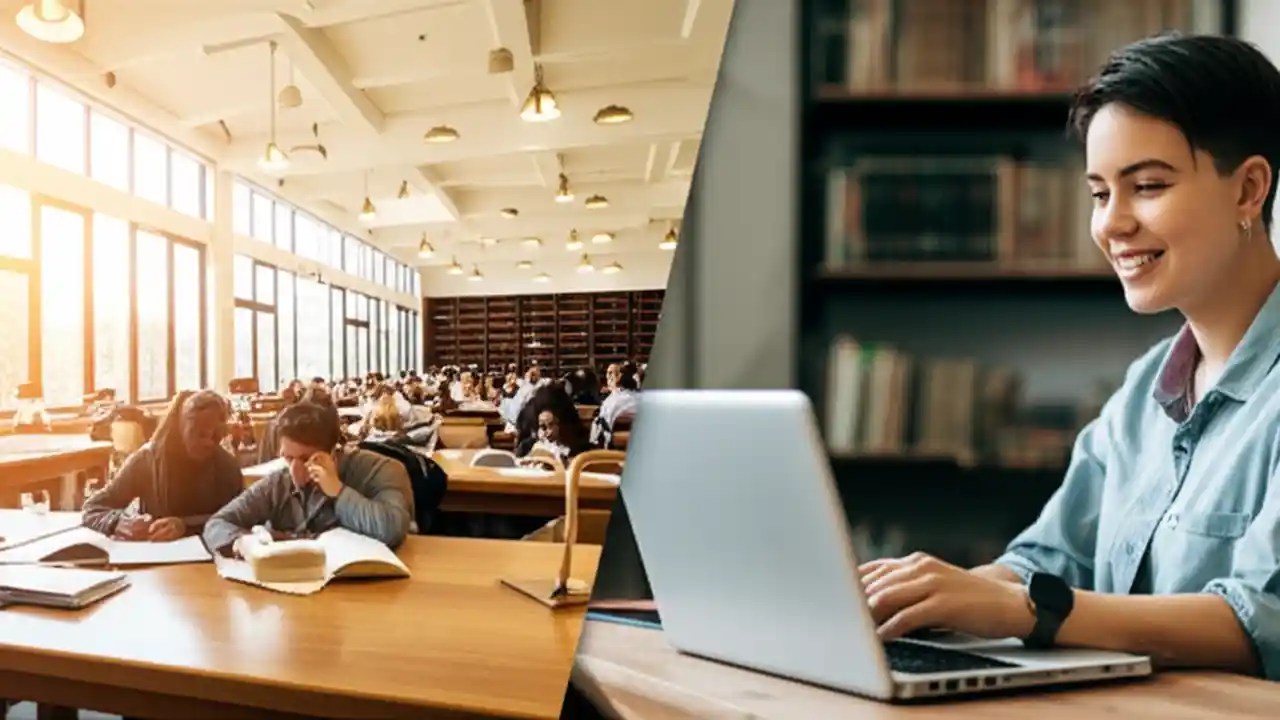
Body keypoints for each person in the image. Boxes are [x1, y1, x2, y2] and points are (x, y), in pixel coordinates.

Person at [860, 33, 1280, 679]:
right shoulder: (1145, 391)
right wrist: (915, 599)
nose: (1112, 224)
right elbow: (1043, 563)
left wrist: (1022, 609)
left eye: (1146, 186)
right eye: (1098, 193)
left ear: (1249, 189)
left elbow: (1258, 620)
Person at [203, 401, 414, 555]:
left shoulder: (382, 469)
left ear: (333, 452)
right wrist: (242, 542)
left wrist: (338, 491)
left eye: (306, 459)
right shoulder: (279, 482)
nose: (295, 470)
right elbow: (217, 524)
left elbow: (392, 529)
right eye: (288, 457)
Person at [83, 390, 243, 541]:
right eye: (199, 434)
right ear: (180, 429)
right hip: (158, 559)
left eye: (215, 436)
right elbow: (94, 508)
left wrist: (185, 526)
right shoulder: (148, 461)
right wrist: (117, 522)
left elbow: (241, 517)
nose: (208, 442)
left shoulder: (226, 465)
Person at [515, 384, 592, 462]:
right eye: (543, 427)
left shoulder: (582, 450)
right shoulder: (527, 448)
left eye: (552, 425)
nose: (549, 433)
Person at [591, 361, 639, 446]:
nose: (607, 376)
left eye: (610, 373)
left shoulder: (611, 402)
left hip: (614, 448)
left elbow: (602, 430)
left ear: (617, 377)